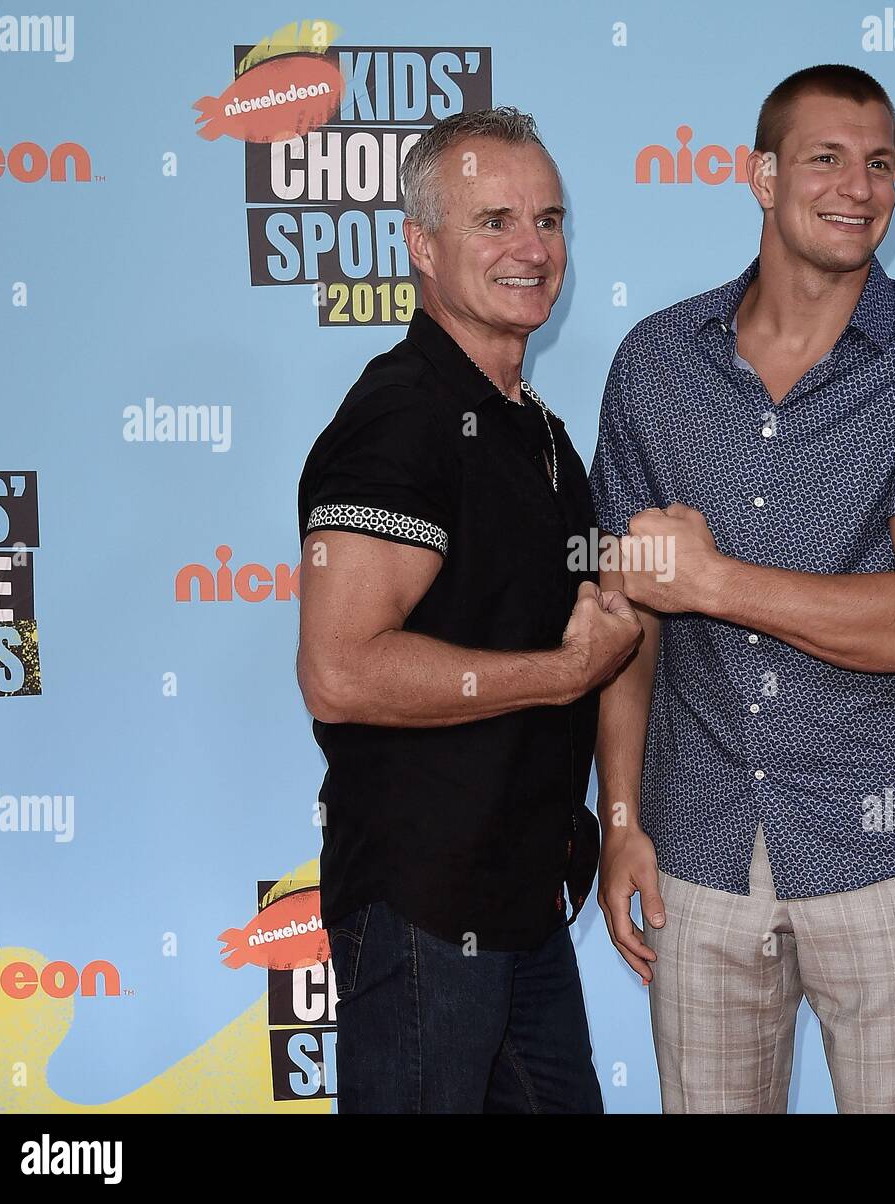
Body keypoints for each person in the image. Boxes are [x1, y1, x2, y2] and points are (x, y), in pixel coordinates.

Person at [590, 64, 895, 1113]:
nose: (857, 186)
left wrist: (716, 579)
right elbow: (625, 619)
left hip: (883, 843)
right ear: (760, 174)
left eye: (880, 163)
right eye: (826, 158)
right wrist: (622, 817)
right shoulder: (654, 363)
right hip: (694, 845)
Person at [296, 106, 641, 1114]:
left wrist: (618, 819)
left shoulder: (535, 433)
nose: (532, 248)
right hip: (422, 914)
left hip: (521, 908)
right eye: (494, 221)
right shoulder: (401, 418)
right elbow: (341, 670)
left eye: (549, 219)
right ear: (421, 246)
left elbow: (612, 623)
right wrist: (564, 674)